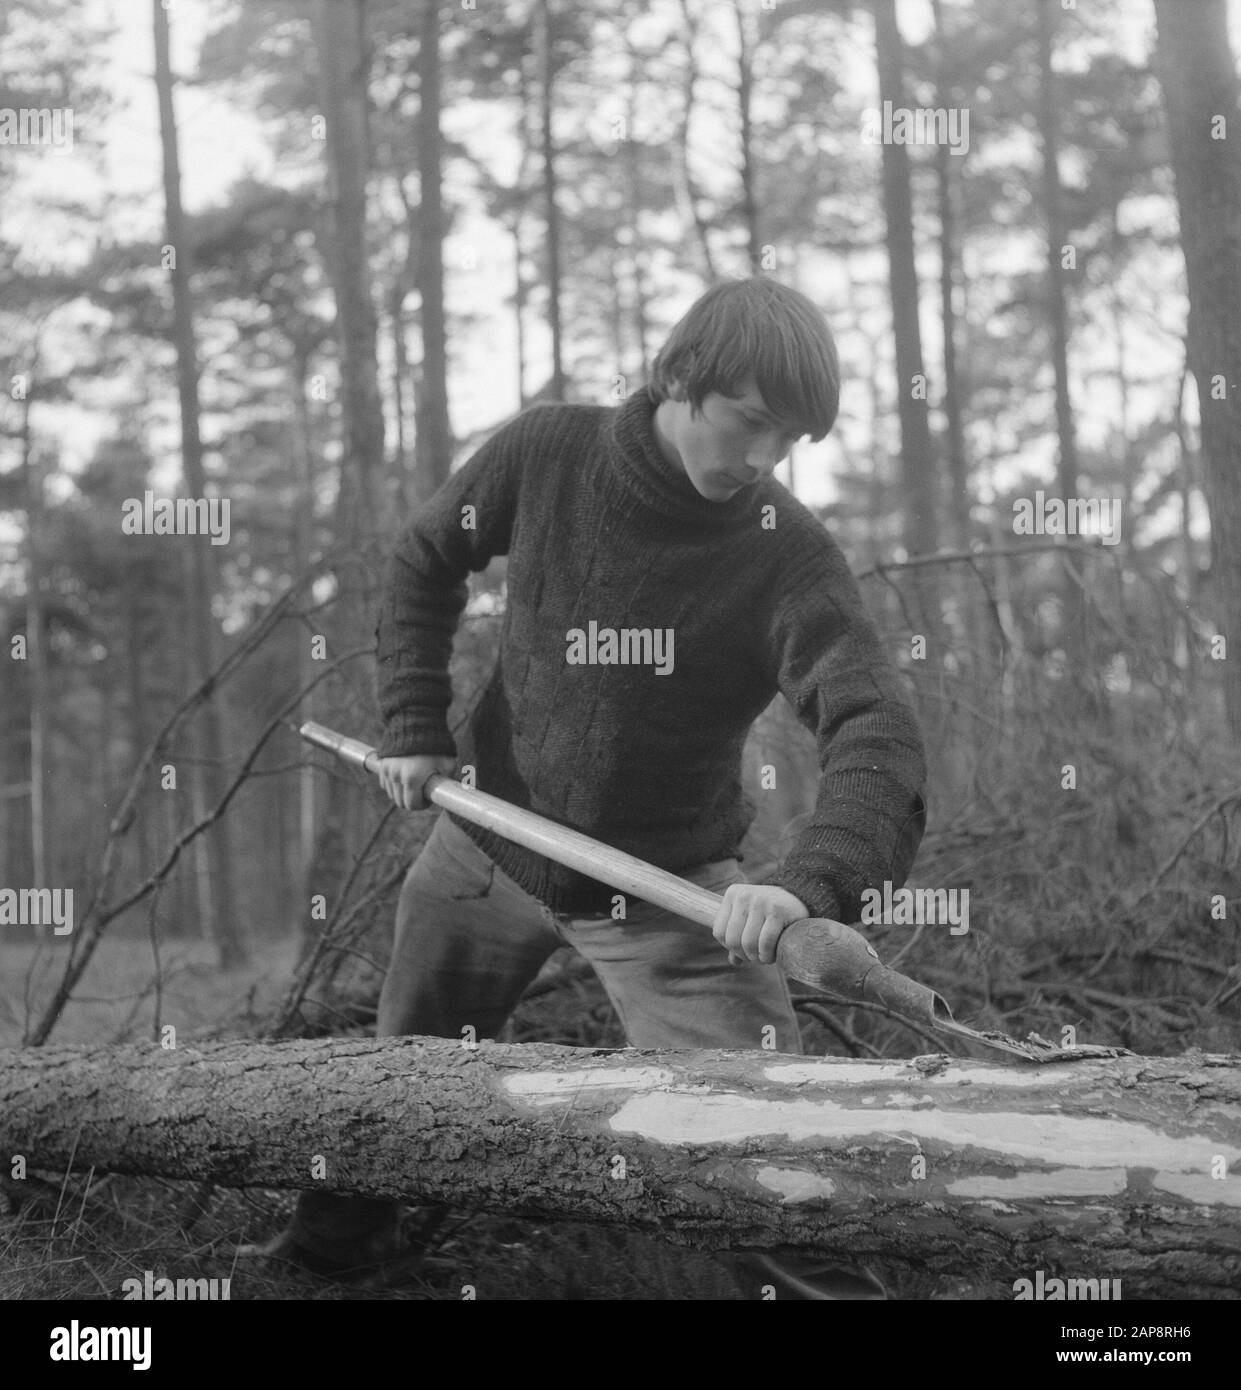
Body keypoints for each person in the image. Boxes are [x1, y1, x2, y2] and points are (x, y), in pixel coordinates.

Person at [271, 276, 927, 1299]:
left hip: (668, 888)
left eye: (788, 439)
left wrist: (805, 882)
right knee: (395, 1092)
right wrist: (411, 725)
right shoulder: (547, 453)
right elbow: (420, 559)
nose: (761, 459)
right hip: (484, 845)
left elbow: (874, 724)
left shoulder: (785, 555)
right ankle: (330, 1265)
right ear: (678, 376)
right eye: (748, 421)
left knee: (769, 1153)